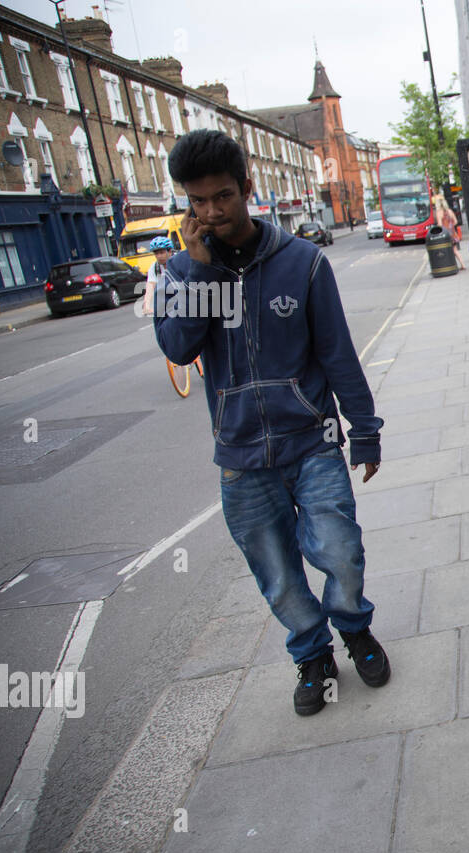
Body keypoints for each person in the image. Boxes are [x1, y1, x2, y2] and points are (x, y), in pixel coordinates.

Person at [152, 129, 389, 717]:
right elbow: (180, 350)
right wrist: (202, 271)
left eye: (223, 197)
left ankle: (354, 629)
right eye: (198, 202)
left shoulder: (303, 263)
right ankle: (311, 656)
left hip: (312, 442)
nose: (211, 212)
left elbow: (337, 352)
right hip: (240, 459)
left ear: (248, 190)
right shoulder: (181, 273)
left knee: (340, 553)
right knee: (278, 575)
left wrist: (364, 430)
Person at [140, 235, 174, 317]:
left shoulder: (180, 262)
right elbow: (150, 287)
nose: (159, 256)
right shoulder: (155, 268)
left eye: (162, 252)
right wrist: (147, 306)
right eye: (156, 253)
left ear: (170, 251)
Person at [433, 194, 467, 272]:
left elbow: (440, 224)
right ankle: (462, 264)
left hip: (445, 235)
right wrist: (450, 226)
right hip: (453, 233)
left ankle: (452, 265)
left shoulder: (439, 212)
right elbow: (455, 222)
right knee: (454, 250)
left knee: (448, 251)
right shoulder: (449, 211)